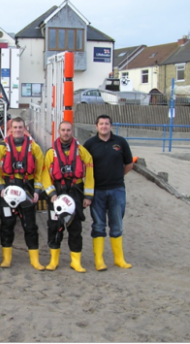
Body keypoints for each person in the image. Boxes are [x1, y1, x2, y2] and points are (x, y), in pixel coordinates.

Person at [0, 117, 45, 270]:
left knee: (30, 225)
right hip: (8, 189)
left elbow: (40, 172)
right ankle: (6, 259)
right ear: (10, 130)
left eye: (20, 127)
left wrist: (36, 191)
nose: (17, 130)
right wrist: (1, 189)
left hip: (26, 188)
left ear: (24, 128)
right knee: (7, 223)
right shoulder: (1, 148)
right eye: (14, 127)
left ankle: (35, 260)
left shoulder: (34, 148)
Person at [41, 121, 94, 273]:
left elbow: (90, 173)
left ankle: (75, 262)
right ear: (58, 131)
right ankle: (53, 261)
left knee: (75, 228)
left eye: (68, 130)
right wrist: (51, 194)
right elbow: (45, 175)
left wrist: (88, 196)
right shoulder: (51, 153)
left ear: (72, 131)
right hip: (56, 194)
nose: (65, 133)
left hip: (75, 192)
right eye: (63, 130)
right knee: (54, 227)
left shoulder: (82, 151)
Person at [84, 115, 134, 271]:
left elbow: (129, 164)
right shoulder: (90, 144)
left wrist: (117, 176)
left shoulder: (120, 142)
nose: (104, 126)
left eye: (106, 124)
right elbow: (82, 166)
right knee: (98, 225)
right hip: (97, 191)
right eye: (101, 124)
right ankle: (99, 260)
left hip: (117, 190)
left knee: (117, 224)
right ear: (96, 126)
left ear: (110, 126)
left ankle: (119, 259)